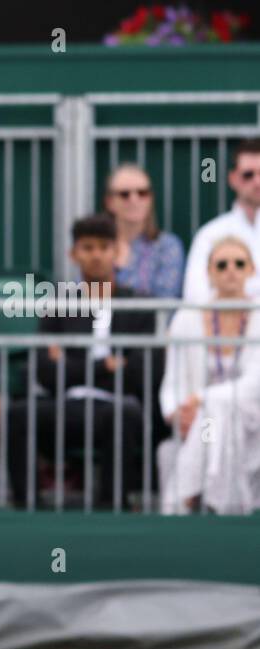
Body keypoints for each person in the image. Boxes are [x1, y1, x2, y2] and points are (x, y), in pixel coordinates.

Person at [7, 214, 157, 510]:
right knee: (20, 414)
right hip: (67, 406)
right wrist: (106, 366)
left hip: (118, 407)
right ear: (73, 254)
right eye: (87, 248)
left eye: (104, 247)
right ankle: (27, 508)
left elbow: (141, 374)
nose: (97, 255)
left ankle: (112, 506)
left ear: (117, 251)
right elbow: (45, 372)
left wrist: (69, 366)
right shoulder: (59, 305)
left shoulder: (140, 304)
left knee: (123, 412)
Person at [157, 236, 260, 514]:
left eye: (239, 263)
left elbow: (253, 386)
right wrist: (179, 413)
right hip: (200, 423)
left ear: (251, 270)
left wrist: (199, 399)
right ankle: (218, 503)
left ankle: (189, 497)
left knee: (220, 407)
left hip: (254, 420)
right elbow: (172, 381)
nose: (230, 270)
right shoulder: (187, 317)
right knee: (218, 415)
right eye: (221, 264)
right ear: (209, 272)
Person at [182, 139, 260, 306]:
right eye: (248, 175)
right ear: (233, 179)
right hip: (223, 329)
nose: (257, 182)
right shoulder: (210, 233)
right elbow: (195, 297)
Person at [103, 163, 185, 298]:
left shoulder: (167, 246)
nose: (134, 199)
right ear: (110, 202)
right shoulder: (97, 246)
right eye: (125, 194)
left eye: (142, 193)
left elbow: (166, 301)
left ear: (151, 198)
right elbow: (85, 294)